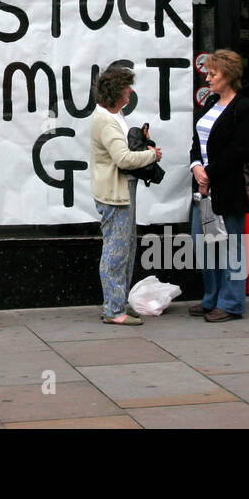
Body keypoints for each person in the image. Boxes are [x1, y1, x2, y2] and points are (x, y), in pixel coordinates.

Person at [188, 49, 249, 322]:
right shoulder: (210, 105)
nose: (207, 78)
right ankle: (212, 298)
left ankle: (231, 303)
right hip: (205, 187)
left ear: (228, 75)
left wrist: (209, 173)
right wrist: (196, 167)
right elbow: (197, 142)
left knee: (232, 246)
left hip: (227, 186)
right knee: (205, 243)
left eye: (213, 74)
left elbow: (242, 149)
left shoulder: (243, 108)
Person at [91, 63, 162, 326]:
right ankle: (113, 310)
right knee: (116, 251)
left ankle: (117, 303)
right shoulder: (107, 121)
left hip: (119, 191)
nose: (130, 92)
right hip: (114, 194)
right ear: (115, 92)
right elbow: (122, 158)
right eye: (126, 88)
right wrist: (151, 154)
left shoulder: (112, 116)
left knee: (126, 249)